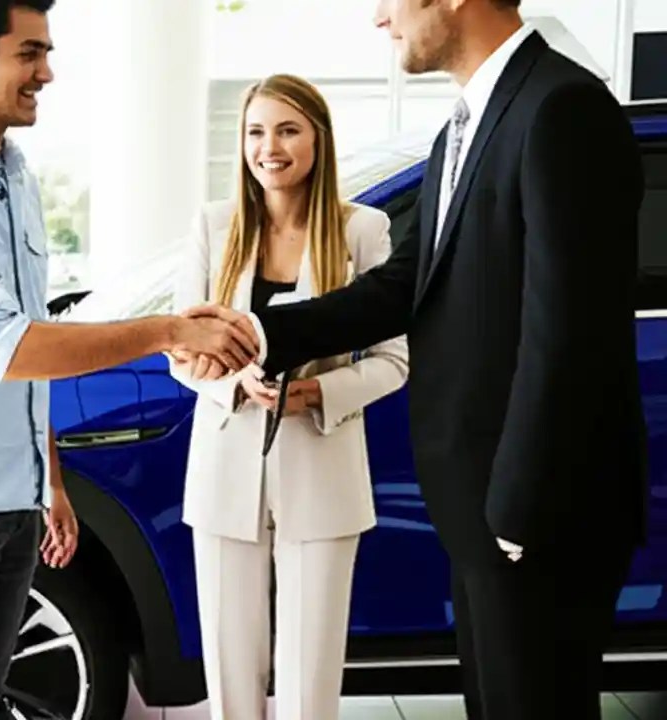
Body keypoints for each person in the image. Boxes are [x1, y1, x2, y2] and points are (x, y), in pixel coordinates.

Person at [185, 1, 647, 718]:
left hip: (534, 513)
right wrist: (260, 334)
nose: (379, 19)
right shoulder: (464, 129)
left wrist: (515, 514)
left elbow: (570, 333)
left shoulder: (562, 110)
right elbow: (405, 287)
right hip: (481, 506)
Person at [0, 1, 258, 718]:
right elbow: (6, 347)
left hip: (13, 489)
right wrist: (168, 331)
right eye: (30, 53)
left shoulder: (14, 175)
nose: (47, 72)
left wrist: (50, 478)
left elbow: (34, 333)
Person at [169, 74, 409, 720]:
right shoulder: (213, 226)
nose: (268, 147)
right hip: (224, 473)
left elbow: (394, 362)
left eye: (286, 129)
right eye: (255, 131)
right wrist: (229, 382)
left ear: (318, 140)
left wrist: (316, 394)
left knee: (309, 680)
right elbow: (180, 353)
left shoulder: (363, 230)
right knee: (230, 674)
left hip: (323, 471)